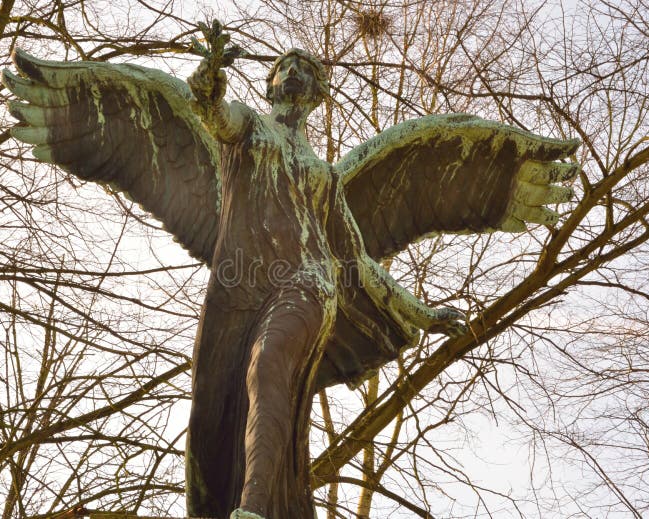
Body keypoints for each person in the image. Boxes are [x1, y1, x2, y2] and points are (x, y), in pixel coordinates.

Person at [185, 48, 465, 519]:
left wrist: (421, 313)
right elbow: (215, 116)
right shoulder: (250, 128)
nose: (293, 73)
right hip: (246, 288)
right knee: (229, 396)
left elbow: (357, 261)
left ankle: (251, 509)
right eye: (284, 68)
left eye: (308, 70)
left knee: (266, 362)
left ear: (319, 94)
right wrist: (209, 77)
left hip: (308, 285)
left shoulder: (325, 178)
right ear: (270, 84)